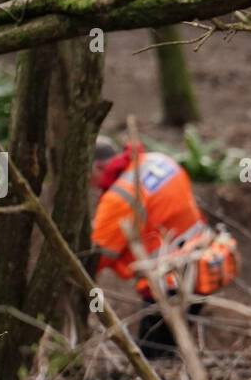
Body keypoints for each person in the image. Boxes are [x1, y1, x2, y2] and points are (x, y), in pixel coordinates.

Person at [91, 137, 238, 356]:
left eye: (88, 176)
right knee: (175, 346)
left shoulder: (118, 198)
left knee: (153, 354)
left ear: (98, 166)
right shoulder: (160, 161)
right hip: (203, 265)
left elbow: (95, 257)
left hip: (167, 284)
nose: (90, 184)